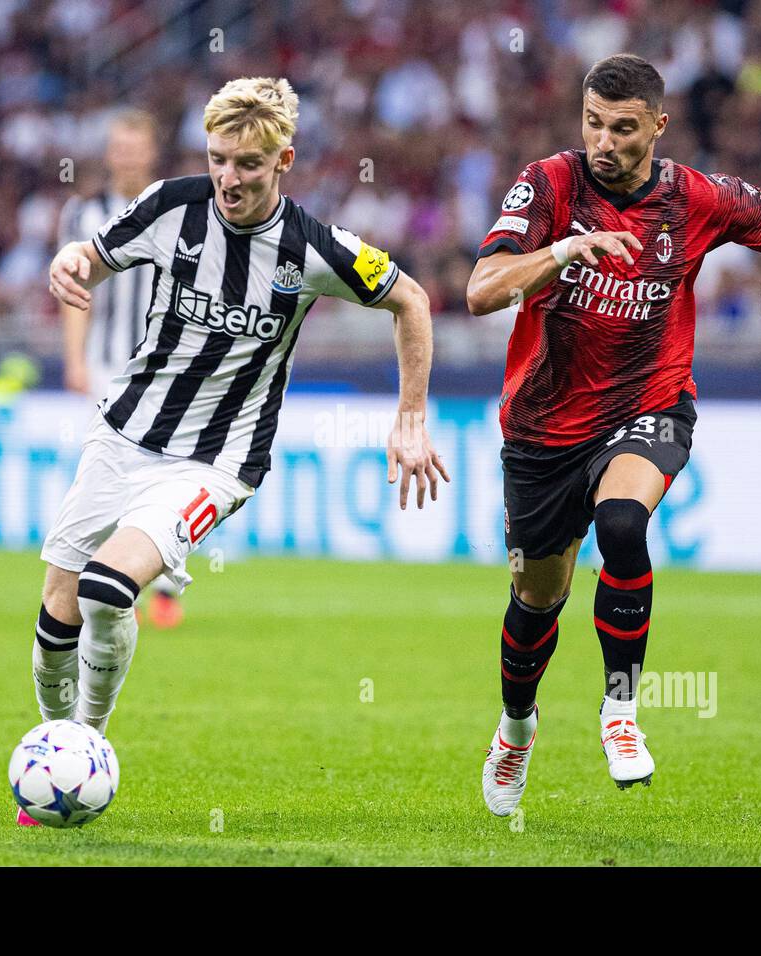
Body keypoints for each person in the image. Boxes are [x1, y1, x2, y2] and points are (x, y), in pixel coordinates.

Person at [22, 77, 449, 825]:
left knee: (105, 589)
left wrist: (410, 414)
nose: (229, 177)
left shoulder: (314, 248)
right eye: (220, 158)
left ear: (283, 160)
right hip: (121, 435)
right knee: (56, 612)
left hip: (214, 463)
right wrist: (68, 260)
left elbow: (410, 299)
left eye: (249, 163)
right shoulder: (171, 206)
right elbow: (89, 254)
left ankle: (85, 743)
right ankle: (58, 740)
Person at [466, 54, 761, 815]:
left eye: (623, 128)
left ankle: (620, 710)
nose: (604, 141)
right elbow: (478, 290)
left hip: (648, 405)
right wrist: (562, 250)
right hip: (542, 428)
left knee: (623, 522)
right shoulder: (549, 185)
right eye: (593, 122)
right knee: (537, 599)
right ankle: (516, 730)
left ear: (657, 126)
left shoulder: (700, 199)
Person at [56, 109, 184, 628]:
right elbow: (74, 289)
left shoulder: (177, 209)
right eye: (119, 146)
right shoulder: (82, 212)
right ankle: (100, 581)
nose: (127, 155)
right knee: (106, 472)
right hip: (108, 363)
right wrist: (74, 358)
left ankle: (167, 583)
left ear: (152, 151)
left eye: (136, 146)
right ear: (108, 153)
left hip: (168, 365)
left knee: (167, 473)